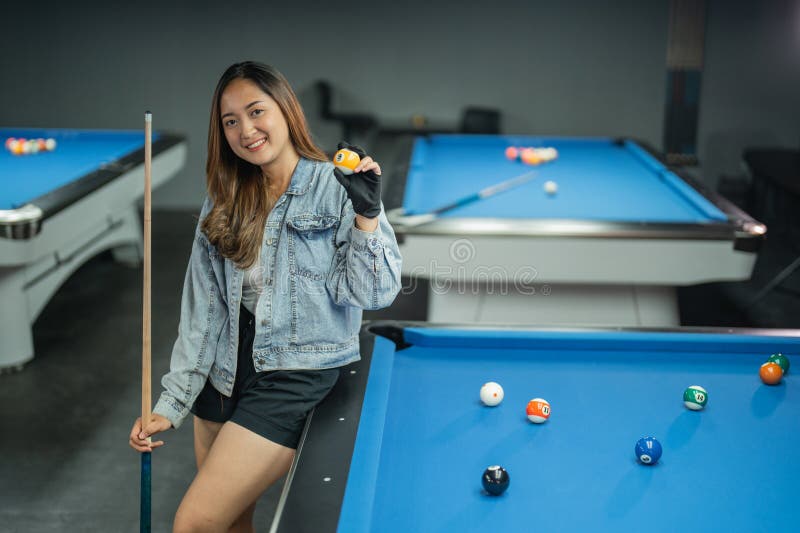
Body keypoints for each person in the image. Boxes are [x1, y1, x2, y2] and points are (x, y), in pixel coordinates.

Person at [129, 61, 402, 532]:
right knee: (231, 524)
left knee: (194, 523)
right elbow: (203, 311)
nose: (246, 130)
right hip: (224, 372)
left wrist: (366, 216)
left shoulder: (337, 186)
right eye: (230, 121)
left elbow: (373, 294)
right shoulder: (224, 198)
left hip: (295, 374)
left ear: (286, 109)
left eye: (256, 111)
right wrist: (171, 402)